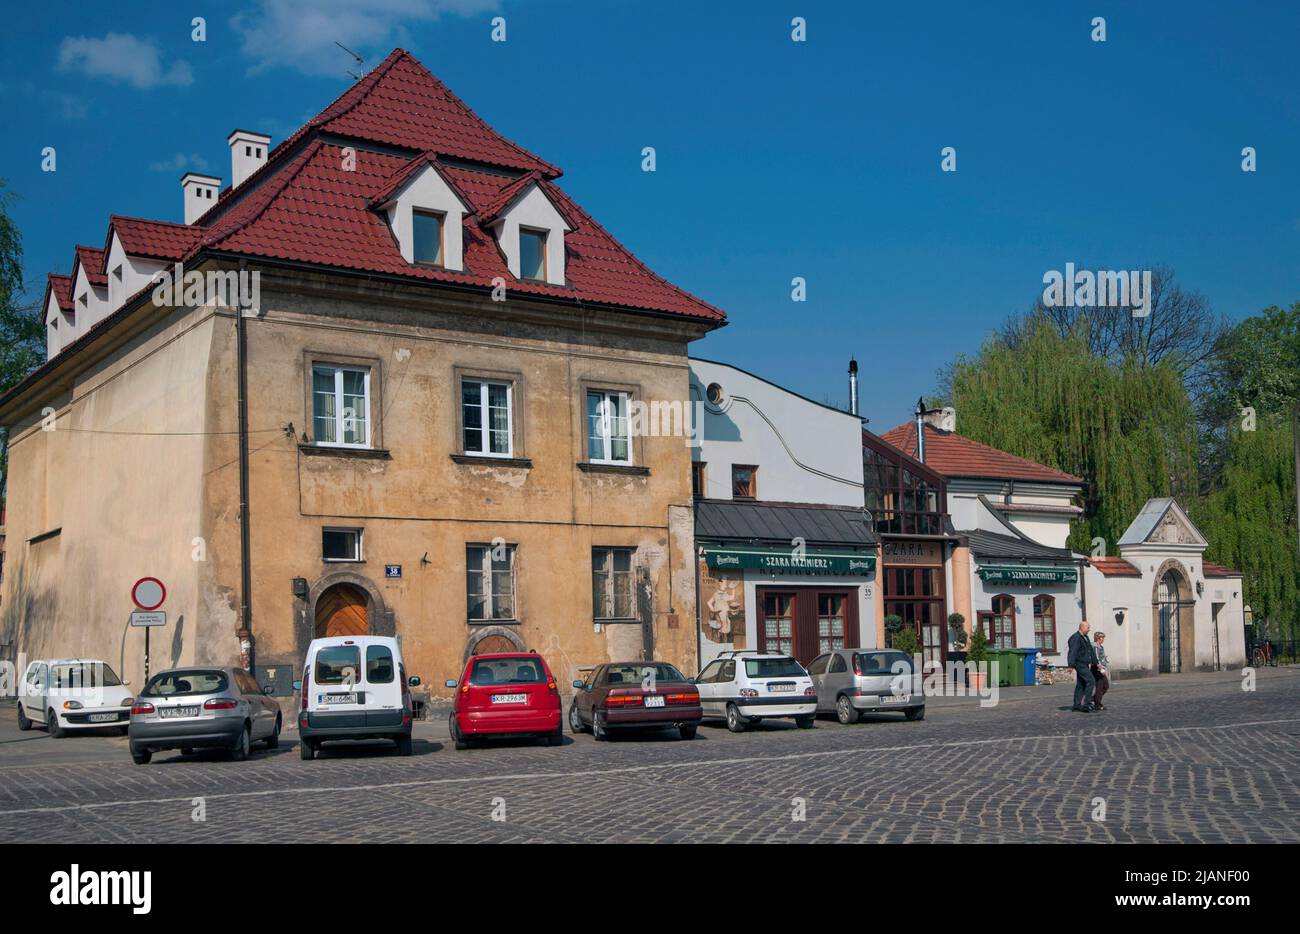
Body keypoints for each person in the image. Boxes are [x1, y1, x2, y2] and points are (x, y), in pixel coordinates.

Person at [1066, 621, 1097, 713]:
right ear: (1082, 627)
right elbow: (1072, 651)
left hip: (1085, 663)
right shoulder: (1076, 637)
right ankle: (1086, 704)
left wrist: (1096, 662)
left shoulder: (1085, 637)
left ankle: (1077, 705)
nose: (1089, 629)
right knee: (1091, 681)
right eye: (1088, 628)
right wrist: (1070, 665)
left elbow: (1090, 651)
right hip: (1079, 663)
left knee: (1081, 684)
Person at [1092, 631, 1111, 710]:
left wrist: (1106, 659)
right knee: (1100, 686)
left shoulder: (1101, 646)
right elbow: (1096, 658)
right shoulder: (1095, 647)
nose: (1103, 639)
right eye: (1102, 637)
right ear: (1098, 638)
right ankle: (1097, 704)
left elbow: (1102, 657)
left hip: (1101, 668)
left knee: (1106, 686)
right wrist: (1100, 668)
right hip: (1097, 669)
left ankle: (1095, 698)